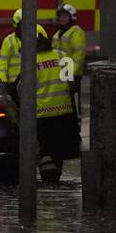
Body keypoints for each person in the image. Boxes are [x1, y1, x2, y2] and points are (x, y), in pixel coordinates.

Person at [35, 30, 81, 182]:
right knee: (59, 150)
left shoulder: (31, 62)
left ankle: (49, 182)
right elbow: (71, 84)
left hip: (42, 116)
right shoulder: (62, 56)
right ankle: (56, 178)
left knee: (45, 151)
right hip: (64, 113)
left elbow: (22, 89)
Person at [0, 9, 46, 99]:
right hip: (13, 84)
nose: (25, 28)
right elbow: (3, 66)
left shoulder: (35, 38)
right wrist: (3, 84)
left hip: (32, 82)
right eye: (22, 25)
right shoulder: (8, 41)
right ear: (16, 25)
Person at [52, 3, 87, 114]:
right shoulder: (57, 34)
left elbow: (78, 57)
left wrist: (69, 75)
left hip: (72, 77)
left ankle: (77, 124)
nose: (62, 19)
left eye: (65, 16)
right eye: (60, 16)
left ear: (72, 17)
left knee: (74, 103)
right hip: (60, 76)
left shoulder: (77, 33)